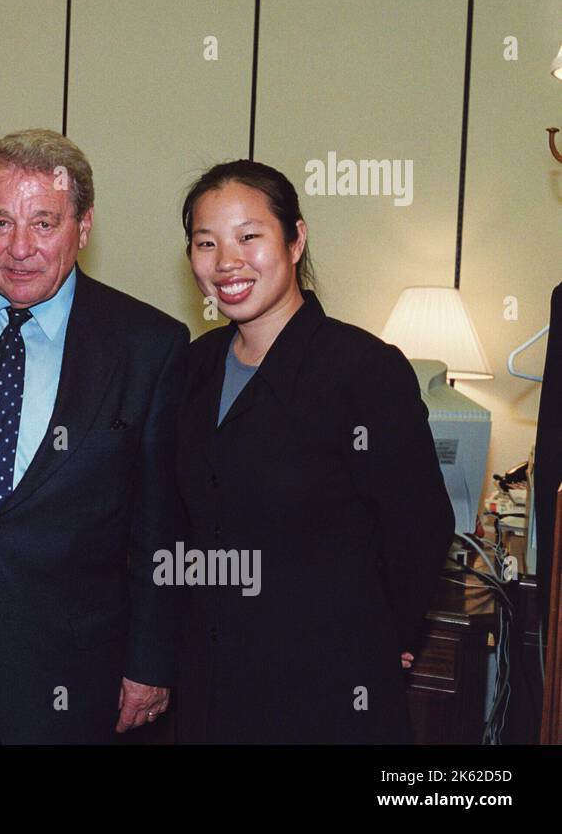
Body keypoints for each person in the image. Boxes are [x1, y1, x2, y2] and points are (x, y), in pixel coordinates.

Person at [0, 129, 188, 744]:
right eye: (1, 222)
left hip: (69, 668)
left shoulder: (147, 346)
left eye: (44, 224)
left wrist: (150, 663)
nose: (20, 248)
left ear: (83, 227)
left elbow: (162, 522)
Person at [174, 159, 453, 743]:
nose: (227, 261)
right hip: (213, 688)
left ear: (296, 239)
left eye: (249, 237)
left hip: (329, 687)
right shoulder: (192, 367)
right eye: (207, 243)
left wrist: (391, 637)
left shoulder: (365, 371)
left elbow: (420, 525)